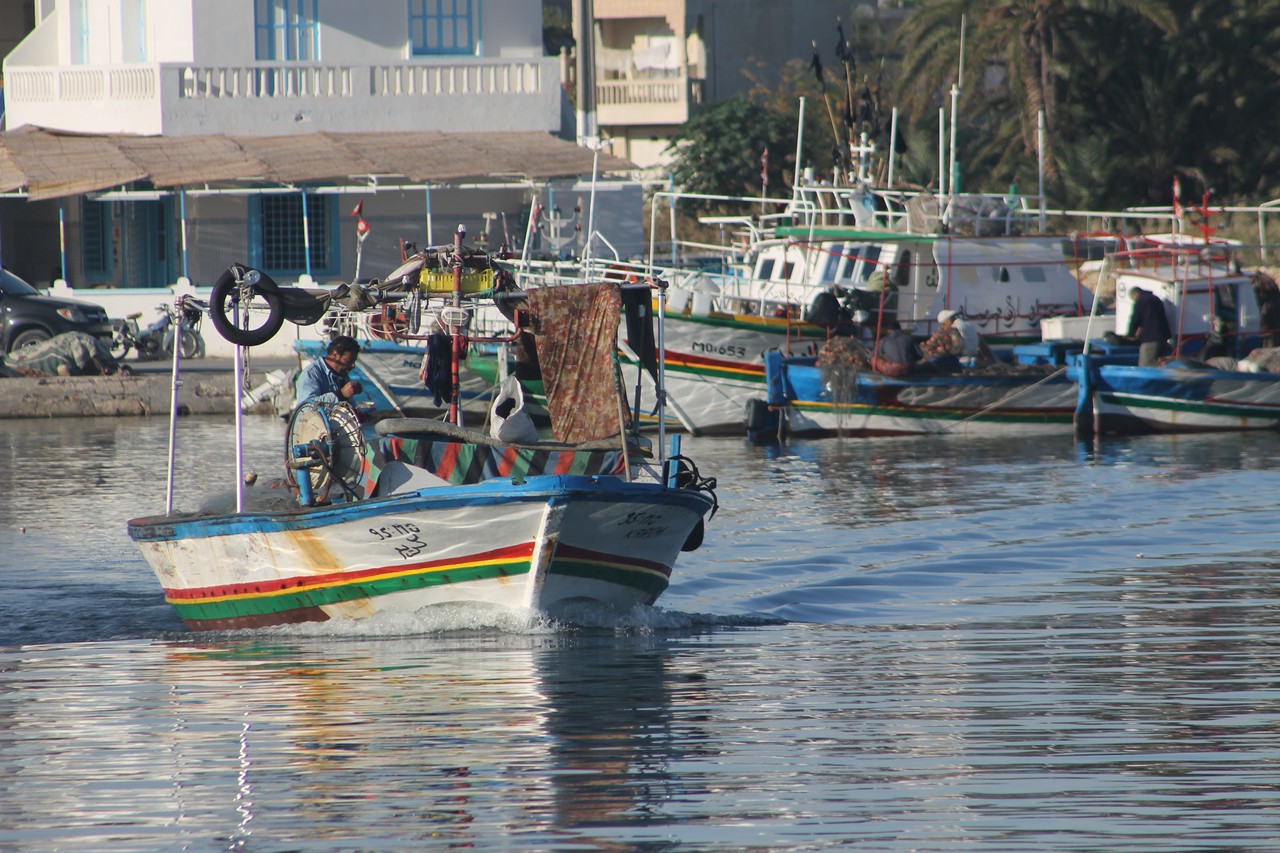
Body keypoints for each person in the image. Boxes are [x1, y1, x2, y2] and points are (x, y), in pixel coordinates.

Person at [295, 335, 363, 408]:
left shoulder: (342, 374)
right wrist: (341, 394)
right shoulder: (311, 374)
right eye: (349, 361)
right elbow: (306, 407)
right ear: (335, 355)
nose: (353, 366)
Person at [1125, 287, 1173, 366]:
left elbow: (1135, 319)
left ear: (1135, 294)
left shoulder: (1140, 301)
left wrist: (1130, 334)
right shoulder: (1156, 298)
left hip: (1151, 337)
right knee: (1163, 362)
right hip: (1164, 336)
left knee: (1145, 363)